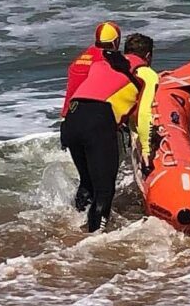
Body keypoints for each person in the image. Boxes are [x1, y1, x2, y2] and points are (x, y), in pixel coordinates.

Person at [60, 33, 158, 232]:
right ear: (148, 56)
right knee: (104, 192)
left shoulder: (101, 64)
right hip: (97, 122)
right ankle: (93, 244)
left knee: (88, 182)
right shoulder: (146, 73)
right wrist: (146, 152)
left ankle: (75, 225)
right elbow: (144, 117)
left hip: (71, 119)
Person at [61, 21, 122, 120]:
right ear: (115, 42)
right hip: (93, 117)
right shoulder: (108, 61)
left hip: (70, 115)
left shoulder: (80, 60)